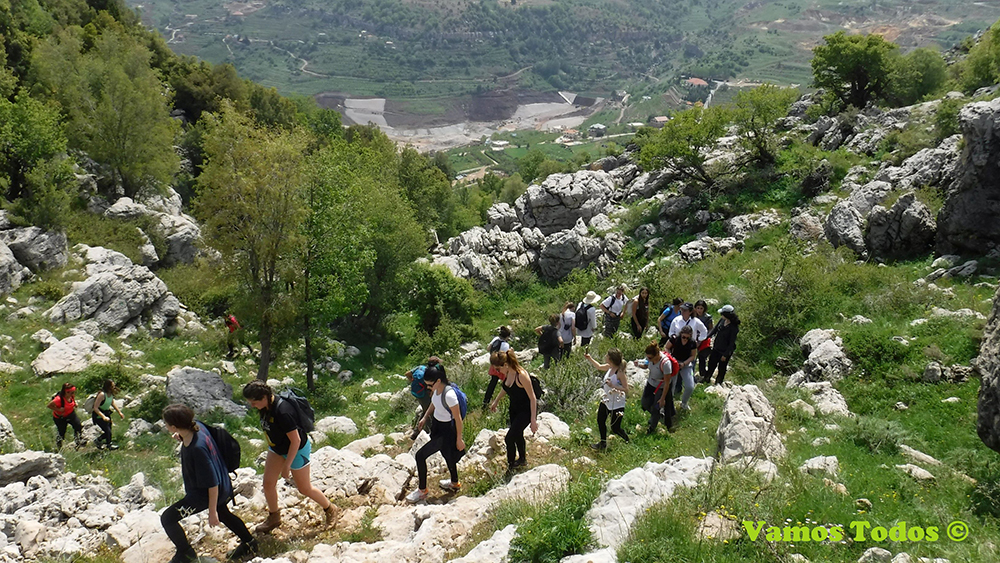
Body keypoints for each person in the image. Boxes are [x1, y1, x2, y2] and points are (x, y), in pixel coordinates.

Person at [160, 404, 257, 563]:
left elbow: (212, 483)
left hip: (205, 494)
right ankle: (250, 543)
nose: (165, 426)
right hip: (224, 483)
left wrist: (212, 512)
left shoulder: (197, 449)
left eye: (166, 424)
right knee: (224, 513)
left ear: (174, 426)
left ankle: (186, 553)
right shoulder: (197, 426)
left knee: (168, 518)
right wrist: (182, 436)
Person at [242, 381, 340, 533]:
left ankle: (330, 508)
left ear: (264, 397)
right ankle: (274, 518)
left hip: (296, 450)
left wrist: (287, 465)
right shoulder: (265, 407)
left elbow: (296, 440)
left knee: (304, 488)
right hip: (277, 448)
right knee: (268, 484)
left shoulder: (283, 411)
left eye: (254, 402)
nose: (253, 406)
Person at [405, 364, 466, 503]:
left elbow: (457, 418)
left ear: (438, 381)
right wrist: (425, 417)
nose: (428, 387)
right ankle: (455, 483)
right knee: (447, 454)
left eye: (429, 384)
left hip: (446, 432)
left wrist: (459, 439)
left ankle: (422, 491)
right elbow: (434, 403)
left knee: (420, 456)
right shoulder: (437, 390)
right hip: (437, 426)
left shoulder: (449, 395)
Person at [489, 350, 539, 472]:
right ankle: (522, 460)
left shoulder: (521, 375)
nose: (497, 371)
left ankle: (511, 466)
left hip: (525, 411)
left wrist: (533, 420)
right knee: (517, 435)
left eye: (497, 368)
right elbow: (506, 388)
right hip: (514, 410)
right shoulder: (508, 374)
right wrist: (496, 401)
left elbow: (533, 398)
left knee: (509, 438)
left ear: (505, 365)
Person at [584, 348, 630, 450]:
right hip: (606, 399)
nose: (605, 356)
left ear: (611, 359)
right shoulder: (610, 367)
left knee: (615, 428)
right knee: (600, 420)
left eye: (607, 355)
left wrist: (613, 385)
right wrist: (589, 358)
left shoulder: (620, 373)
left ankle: (627, 440)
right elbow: (599, 367)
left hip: (617, 403)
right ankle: (603, 443)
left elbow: (626, 389)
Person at [633, 341, 677, 435]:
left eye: (650, 358)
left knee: (656, 407)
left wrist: (662, 399)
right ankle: (657, 416)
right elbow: (646, 365)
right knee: (644, 403)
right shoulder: (650, 359)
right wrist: (639, 365)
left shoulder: (665, 364)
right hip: (650, 384)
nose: (648, 359)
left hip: (660, 388)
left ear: (657, 354)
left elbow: (667, 383)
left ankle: (652, 427)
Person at [667, 303, 707, 401]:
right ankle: (676, 393)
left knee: (688, 374)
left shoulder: (696, 321)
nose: (682, 311)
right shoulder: (676, 320)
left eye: (685, 310)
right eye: (682, 310)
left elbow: (704, 331)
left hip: (689, 350)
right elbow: (671, 332)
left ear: (690, 312)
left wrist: (699, 341)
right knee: (674, 380)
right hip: (676, 349)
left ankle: (684, 400)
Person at [704, 305, 741, 385]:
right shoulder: (722, 320)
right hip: (716, 347)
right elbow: (715, 330)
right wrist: (706, 337)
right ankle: (706, 379)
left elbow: (731, 343)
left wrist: (725, 355)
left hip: (725, 351)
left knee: (722, 368)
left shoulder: (734, 328)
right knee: (711, 364)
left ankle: (718, 383)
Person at [665, 325, 698, 411]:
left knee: (690, 386)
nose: (685, 339)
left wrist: (684, 363)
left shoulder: (692, 342)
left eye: (687, 337)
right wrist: (671, 358)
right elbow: (666, 347)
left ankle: (684, 403)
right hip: (674, 363)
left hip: (686, 364)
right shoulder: (675, 339)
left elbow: (693, 356)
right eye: (683, 337)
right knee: (671, 385)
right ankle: (668, 405)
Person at [405, 356, 442, 427]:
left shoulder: (420, 368)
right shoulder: (432, 374)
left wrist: (413, 382)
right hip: (425, 394)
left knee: (426, 410)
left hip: (417, 393)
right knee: (429, 413)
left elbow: (407, 374)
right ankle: (428, 431)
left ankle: (417, 430)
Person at [48, 383, 85, 450]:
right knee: (61, 433)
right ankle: (59, 447)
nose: (72, 394)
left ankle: (78, 441)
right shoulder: (58, 399)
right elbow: (49, 405)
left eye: (73, 392)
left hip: (71, 414)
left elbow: (72, 400)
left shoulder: (71, 396)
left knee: (78, 426)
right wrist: (58, 409)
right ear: (65, 392)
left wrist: (74, 403)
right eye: (70, 392)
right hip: (60, 418)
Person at [483, 327, 512, 410]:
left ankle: (485, 402)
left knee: (492, 383)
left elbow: (488, 348)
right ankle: (503, 402)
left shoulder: (495, 339)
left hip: (493, 365)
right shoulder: (505, 345)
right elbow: (506, 357)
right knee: (506, 384)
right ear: (507, 337)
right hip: (501, 366)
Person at [91, 379, 124, 450]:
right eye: (112, 386)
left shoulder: (110, 394)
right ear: (108, 386)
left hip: (106, 414)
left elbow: (112, 403)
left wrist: (119, 412)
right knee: (108, 431)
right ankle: (109, 445)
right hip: (98, 416)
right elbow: (95, 408)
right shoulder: (102, 395)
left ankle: (98, 440)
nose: (114, 387)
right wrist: (103, 417)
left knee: (108, 431)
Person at [693, 300, 714, 381]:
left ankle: (703, 374)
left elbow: (710, 329)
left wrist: (703, 338)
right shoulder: (693, 316)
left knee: (702, 357)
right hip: (694, 337)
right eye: (698, 308)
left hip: (704, 339)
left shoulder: (708, 318)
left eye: (701, 308)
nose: (699, 310)